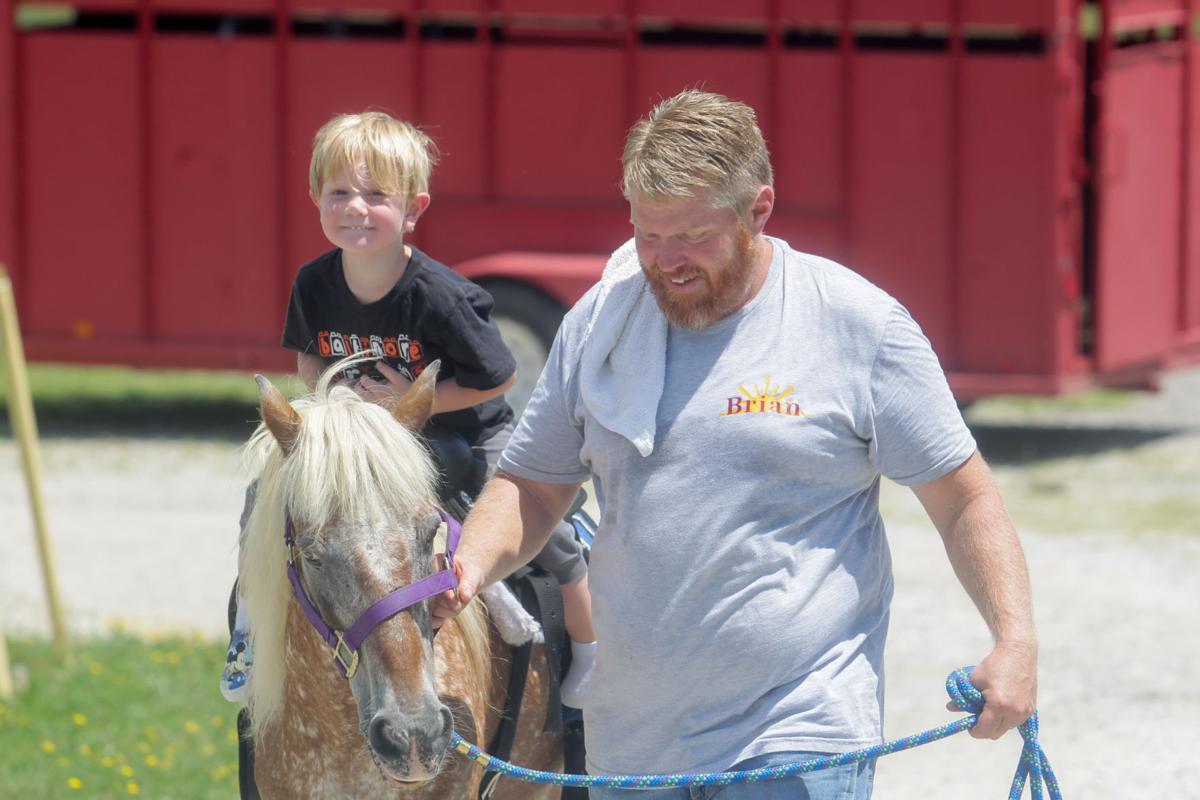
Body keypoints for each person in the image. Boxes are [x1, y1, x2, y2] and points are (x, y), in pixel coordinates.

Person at [432, 90, 1038, 799]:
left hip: (798, 730)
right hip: (634, 742)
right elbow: (533, 485)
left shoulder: (856, 326)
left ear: (760, 208)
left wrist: (1015, 641)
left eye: (692, 236)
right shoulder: (599, 322)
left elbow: (962, 497)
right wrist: (469, 564)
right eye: (648, 236)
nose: (667, 262)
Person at [220, 111, 597, 708]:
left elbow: (497, 380)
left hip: (467, 430)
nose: (355, 207)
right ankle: (248, 632)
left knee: (540, 525)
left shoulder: (440, 295)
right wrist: (330, 420)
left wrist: (405, 403)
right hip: (370, 438)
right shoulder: (313, 283)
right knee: (264, 503)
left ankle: (588, 642)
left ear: (413, 208)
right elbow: (311, 362)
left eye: (376, 195)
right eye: (339, 191)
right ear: (316, 198)